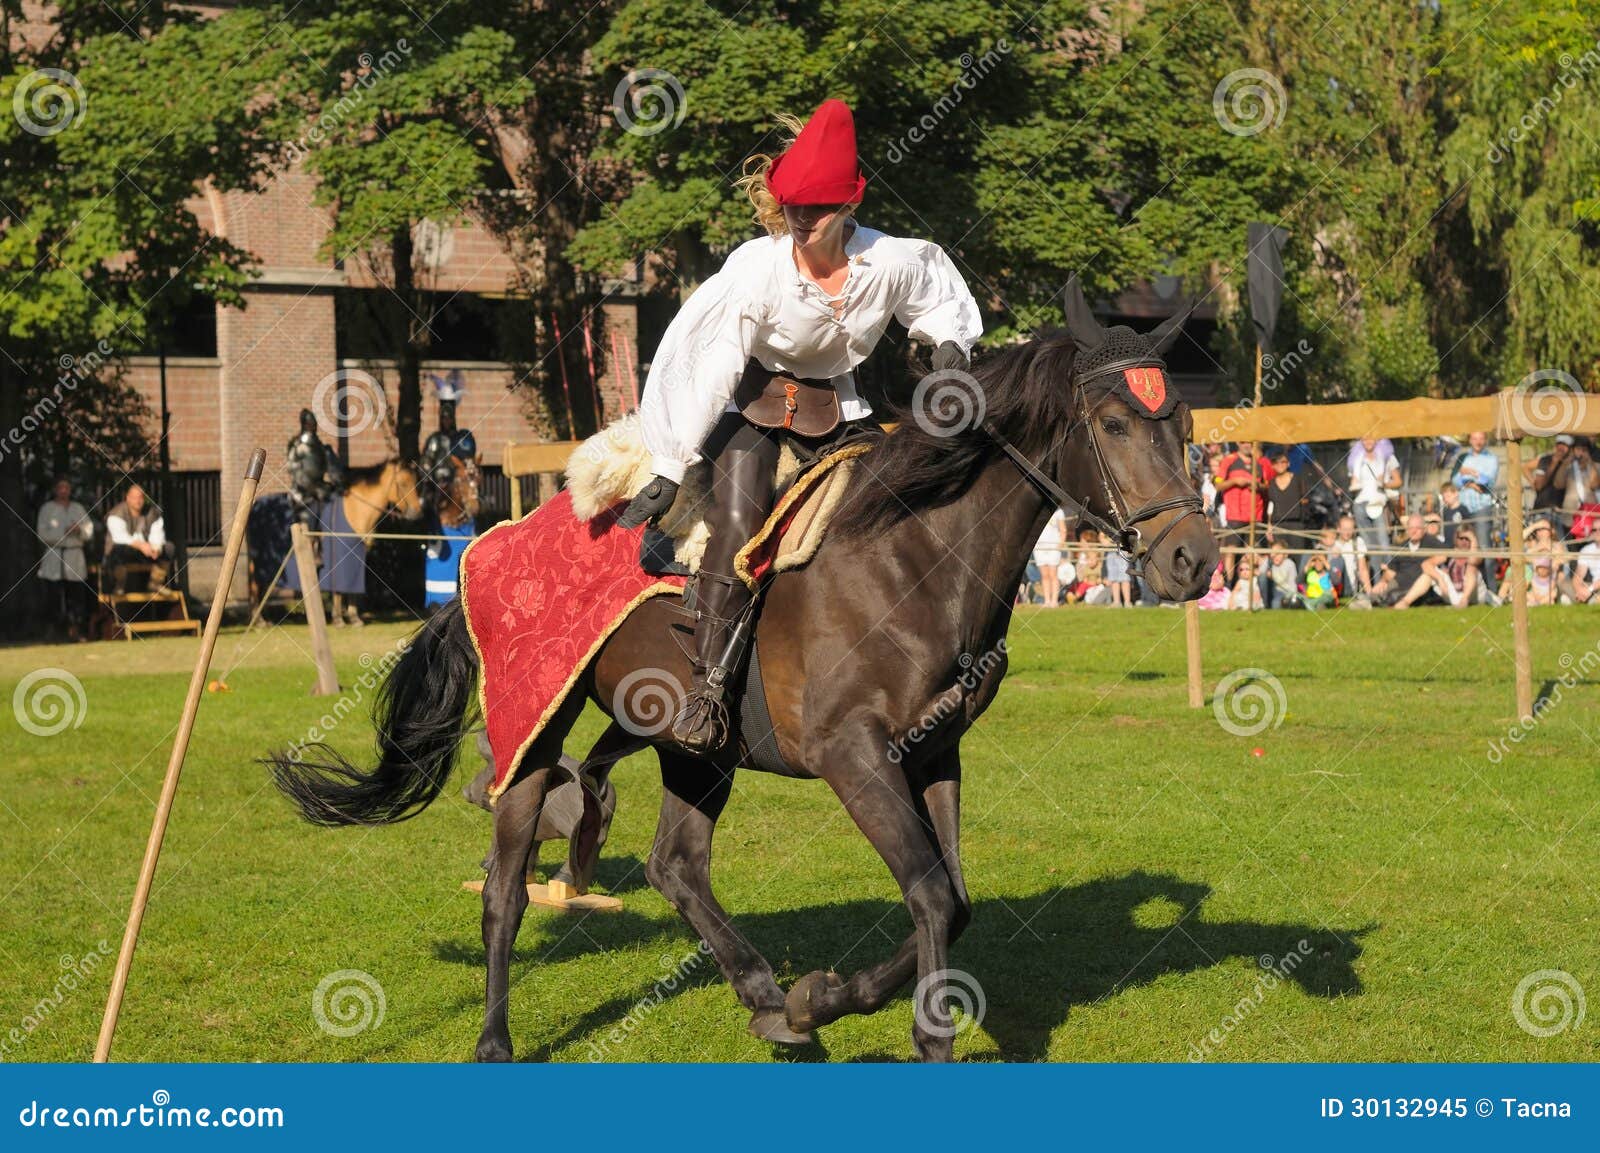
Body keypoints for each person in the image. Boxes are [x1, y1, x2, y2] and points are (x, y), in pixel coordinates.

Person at [618, 99, 982, 751]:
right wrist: (669, 462)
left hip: (840, 413)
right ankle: (709, 688)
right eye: (792, 206)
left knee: (900, 508)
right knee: (737, 528)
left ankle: (928, 662)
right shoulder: (755, 271)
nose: (800, 219)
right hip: (748, 410)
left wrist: (948, 343)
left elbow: (938, 293)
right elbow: (707, 362)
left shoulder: (891, 261)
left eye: (815, 208)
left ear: (847, 207)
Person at [36, 477, 94, 640]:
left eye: (67, 488)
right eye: (60, 487)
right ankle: (54, 630)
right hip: (54, 555)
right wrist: (64, 532)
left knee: (76, 596)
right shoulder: (47, 509)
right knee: (54, 596)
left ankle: (76, 630)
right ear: (55, 490)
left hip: (74, 555)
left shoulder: (78, 508)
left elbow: (89, 531)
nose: (64, 491)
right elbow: (42, 534)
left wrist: (78, 530)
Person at [1213, 442, 1274, 575]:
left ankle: (1251, 583)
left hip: (1255, 515)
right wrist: (1235, 482)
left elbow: (1267, 486)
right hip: (1235, 514)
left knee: (1252, 551)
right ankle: (1229, 584)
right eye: (1243, 442)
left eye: (1250, 442)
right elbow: (1218, 485)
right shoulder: (1229, 460)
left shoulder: (1260, 463)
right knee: (1231, 550)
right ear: (1237, 443)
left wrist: (1258, 485)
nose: (1247, 445)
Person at [286, 408, 345, 535]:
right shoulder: (297, 446)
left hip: (320, 490)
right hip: (303, 494)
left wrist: (337, 483)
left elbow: (332, 470)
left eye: (314, 424)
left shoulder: (321, 447)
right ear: (304, 424)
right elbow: (295, 471)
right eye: (310, 424)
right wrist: (313, 489)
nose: (313, 427)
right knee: (308, 519)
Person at [103, 484, 171, 593]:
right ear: (128, 498)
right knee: (118, 549)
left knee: (168, 548)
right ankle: (119, 585)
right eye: (135, 498)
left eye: (140, 497)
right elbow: (120, 537)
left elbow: (157, 534)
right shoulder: (117, 513)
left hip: (145, 553)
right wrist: (141, 545)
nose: (138, 501)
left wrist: (156, 549)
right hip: (123, 554)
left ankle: (155, 583)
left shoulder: (152, 513)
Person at [1371, 513, 1446, 608]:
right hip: (1398, 581)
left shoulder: (1431, 542)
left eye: (1417, 528)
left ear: (1423, 529)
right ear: (1407, 529)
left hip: (1418, 586)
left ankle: (1390, 602)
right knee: (1374, 594)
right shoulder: (1401, 546)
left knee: (1394, 596)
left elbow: (1444, 556)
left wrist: (1431, 562)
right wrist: (1382, 582)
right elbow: (1391, 571)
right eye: (1411, 528)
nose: (1414, 531)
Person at [1450, 430, 1499, 554]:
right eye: (1475, 438)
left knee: (1484, 547)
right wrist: (1471, 482)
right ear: (1470, 440)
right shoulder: (1462, 457)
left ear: (1485, 440)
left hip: (1481, 508)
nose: (1478, 442)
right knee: (1462, 547)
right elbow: (1454, 481)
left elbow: (1487, 481)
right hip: (1463, 508)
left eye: (1481, 438)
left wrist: (1469, 473)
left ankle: (1488, 574)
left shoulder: (1491, 458)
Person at [1348, 435, 1400, 550]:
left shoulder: (1387, 457)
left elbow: (1398, 481)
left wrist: (1384, 484)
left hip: (1379, 503)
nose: (1368, 442)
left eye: (1371, 438)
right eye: (1365, 439)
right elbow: (1353, 482)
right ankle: (1375, 567)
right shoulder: (1357, 458)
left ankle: (1386, 566)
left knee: (1383, 541)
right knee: (1368, 543)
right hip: (1360, 504)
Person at [1265, 446, 1315, 566]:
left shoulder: (1298, 479)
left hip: (1296, 525)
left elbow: (1306, 501)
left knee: (1298, 559)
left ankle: (1298, 584)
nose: (1280, 465)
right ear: (1272, 465)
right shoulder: (1271, 484)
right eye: (1276, 462)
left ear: (1288, 463)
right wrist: (1269, 525)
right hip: (1278, 525)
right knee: (1279, 561)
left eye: (1283, 461)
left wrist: (1304, 521)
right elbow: (1270, 505)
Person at [1328, 514, 1373, 604]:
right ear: (1338, 529)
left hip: (1350, 588)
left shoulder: (1357, 542)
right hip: (1331, 584)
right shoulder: (1332, 543)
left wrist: (1370, 593)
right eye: (1345, 529)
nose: (1347, 533)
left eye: (1350, 529)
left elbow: (1363, 570)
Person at [1033, 507, 1067, 607]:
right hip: (1039, 547)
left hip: (1053, 546)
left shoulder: (1059, 511)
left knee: (1053, 574)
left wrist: (1061, 543)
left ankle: (1054, 601)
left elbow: (1063, 529)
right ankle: (1047, 600)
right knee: (1044, 575)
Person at [1256, 543, 1301, 609]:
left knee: (1276, 605)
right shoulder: (1270, 562)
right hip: (1274, 592)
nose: (1274, 556)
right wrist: (1266, 560)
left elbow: (1282, 580)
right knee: (1262, 577)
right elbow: (1260, 572)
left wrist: (1272, 576)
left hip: (1287, 592)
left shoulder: (1289, 564)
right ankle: (1265, 604)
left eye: (1277, 554)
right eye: (1272, 553)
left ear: (1285, 555)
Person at [1570, 518, 1600, 604]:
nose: (1597, 532)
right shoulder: (1586, 550)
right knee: (1563, 584)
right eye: (1594, 530)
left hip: (1593, 587)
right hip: (1592, 587)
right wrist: (1579, 590)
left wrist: (1589, 590)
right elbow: (1578, 575)